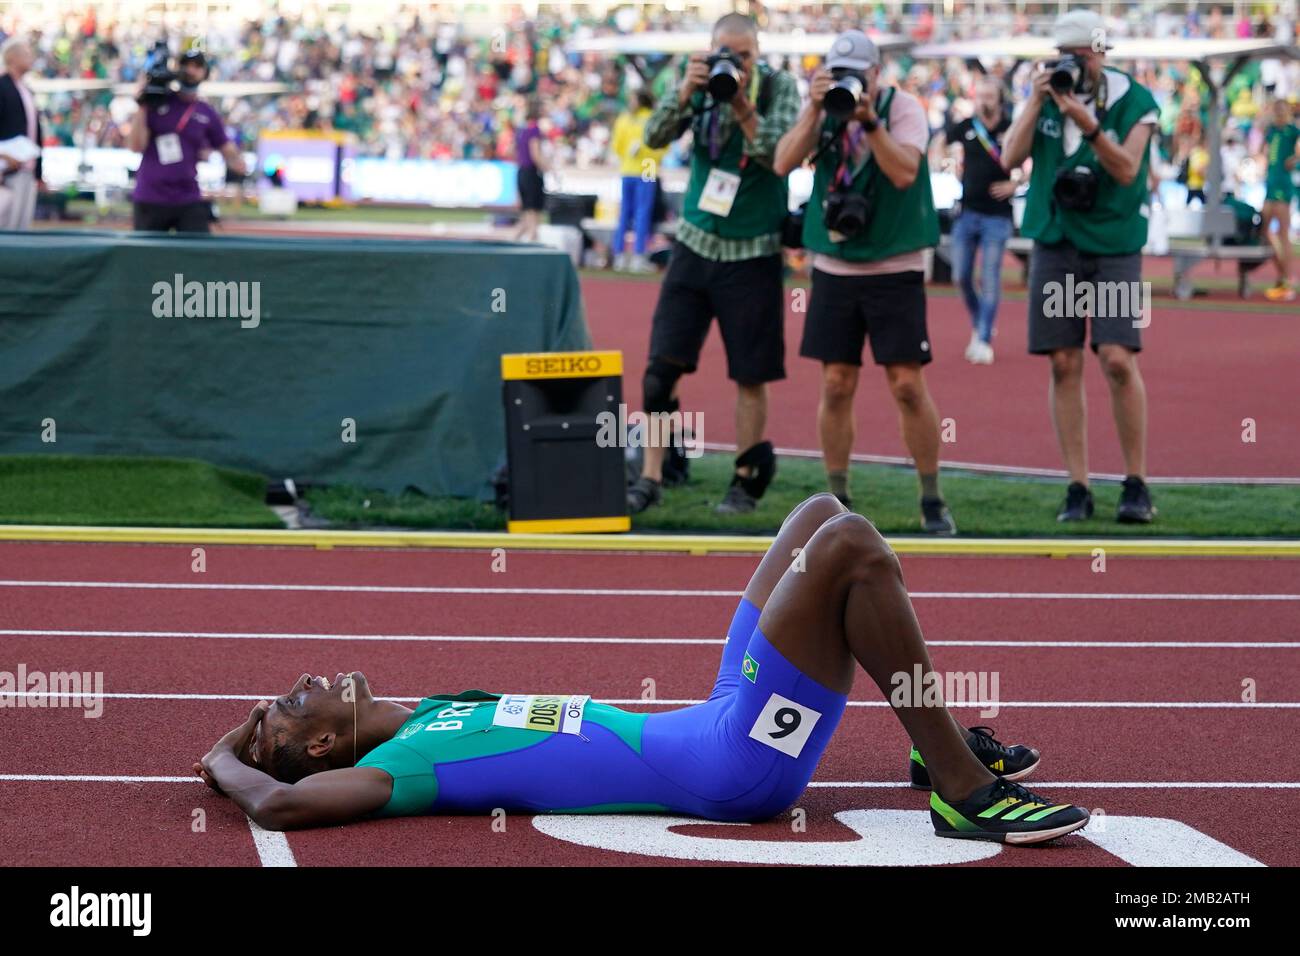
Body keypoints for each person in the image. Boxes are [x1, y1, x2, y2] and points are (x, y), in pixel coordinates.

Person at [196, 493, 1087, 846]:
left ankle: (933, 750)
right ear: (321, 741)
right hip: (736, 770)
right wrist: (225, 761)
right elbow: (278, 805)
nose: (304, 677)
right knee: (851, 550)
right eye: (288, 701)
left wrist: (255, 738)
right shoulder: (403, 766)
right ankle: (961, 792)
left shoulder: (431, 713)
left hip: (712, 716)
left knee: (819, 513)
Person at [774, 30, 954, 534]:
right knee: (835, 382)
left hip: (895, 265)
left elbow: (904, 173)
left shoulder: (904, 109)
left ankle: (932, 497)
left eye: (859, 72)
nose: (849, 82)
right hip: (834, 264)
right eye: (839, 72)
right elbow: (783, 162)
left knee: (907, 385)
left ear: (877, 74)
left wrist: (869, 121)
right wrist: (814, 111)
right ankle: (836, 498)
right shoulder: (823, 108)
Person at [626, 13, 800, 517]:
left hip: (753, 251)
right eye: (727, 53)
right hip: (695, 242)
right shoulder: (696, 81)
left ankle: (745, 481)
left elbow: (780, 156)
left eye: (744, 55)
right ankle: (652, 476)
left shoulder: (779, 89)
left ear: (757, 52)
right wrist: (685, 91)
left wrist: (742, 102)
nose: (735, 64)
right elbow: (654, 139)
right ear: (711, 48)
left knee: (750, 373)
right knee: (661, 370)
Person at [1002, 9, 1159, 524]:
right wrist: (1034, 101)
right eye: (1067, 57)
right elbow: (1008, 158)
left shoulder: (1135, 100)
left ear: (1101, 53)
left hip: (1113, 241)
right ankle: (1078, 485)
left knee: (1116, 356)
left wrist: (1087, 122)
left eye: (1084, 56)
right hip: (1058, 239)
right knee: (1063, 360)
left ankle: (1135, 482)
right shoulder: (1045, 97)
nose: (1076, 66)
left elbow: (1127, 167)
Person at [941, 76, 1021, 365]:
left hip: (997, 215)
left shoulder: (1010, 126)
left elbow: (1034, 157)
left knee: (990, 277)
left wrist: (1017, 184)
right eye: (980, 96)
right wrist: (947, 165)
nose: (984, 101)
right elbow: (940, 142)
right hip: (967, 211)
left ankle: (984, 338)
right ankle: (980, 322)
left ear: (1000, 99)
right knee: (960, 275)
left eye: (989, 96)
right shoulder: (967, 126)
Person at [127, 46, 247, 233]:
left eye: (197, 66)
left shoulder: (206, 112)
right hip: (151, 195)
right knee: (146, 257)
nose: (191, 71)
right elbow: (135, 146)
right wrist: (142, 103)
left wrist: (237, 162)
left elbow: (226, 147)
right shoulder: (157, 102)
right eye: (186, 65)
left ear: (204, 72)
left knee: (198, 253)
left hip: (187, 195)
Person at [610, 89, 665, 272]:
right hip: (646, 166)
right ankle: (636, 255)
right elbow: (661, 146)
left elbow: (617, 146)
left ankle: (623, 255)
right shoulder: (652, 118)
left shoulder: (625, 119)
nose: (630, 102)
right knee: (640, 212)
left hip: (629, 167)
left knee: (628, 212)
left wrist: (631, 155)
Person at [1258, 96, 1299, 301]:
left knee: (1283, 233)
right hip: (1270, 183)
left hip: (1283, 184)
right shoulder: (1272, 130)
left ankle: (1287, 278)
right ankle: (1281, 273)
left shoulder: (1292, 131)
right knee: (1264, 230)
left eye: (1283, 110)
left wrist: (1295, 158)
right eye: (1277, 110)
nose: (1280, 114)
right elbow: (1262, 150)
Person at [0, 38, 43, 231]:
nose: (31, 57)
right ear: (12, 57)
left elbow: (35, 131)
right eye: (26, 53)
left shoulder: (26, 90)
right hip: (7, 170)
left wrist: (39, 172)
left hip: (27, 168)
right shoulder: (2, 86)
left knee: (22, 227)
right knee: (7, 227)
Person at [514, 98, 547, 242]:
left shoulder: (522, 130)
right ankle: (533, 242)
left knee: (527, 214)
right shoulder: (534, 130)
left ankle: (514, 241)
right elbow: (535, 154)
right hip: (531, 173)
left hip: (521, 171)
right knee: (534, 214)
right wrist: (548, 168)